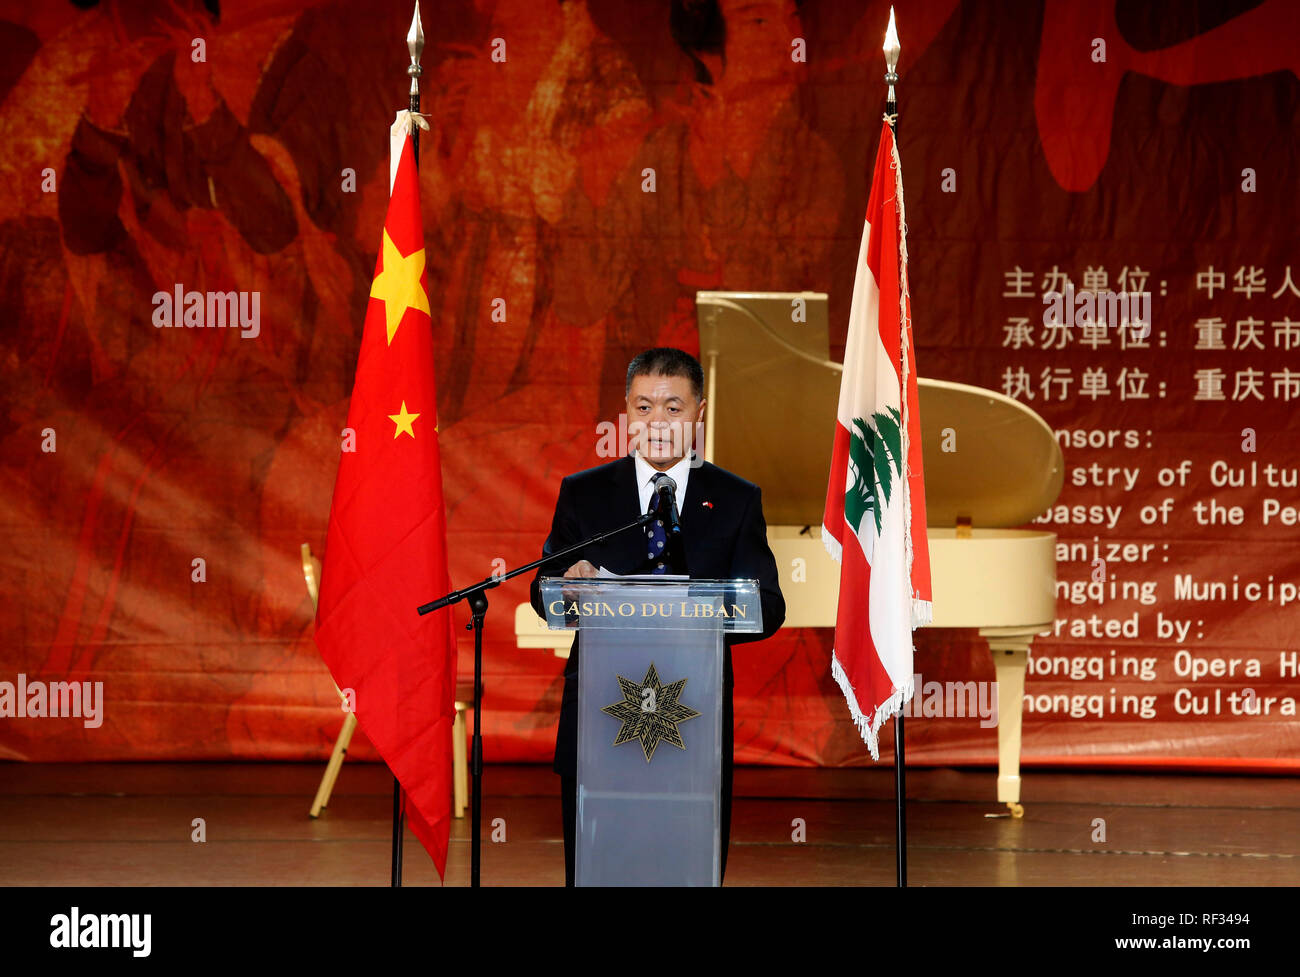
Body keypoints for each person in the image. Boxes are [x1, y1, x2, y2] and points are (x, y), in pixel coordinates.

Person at [529, 347, 785, 885]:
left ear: (699, 412)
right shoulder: (586, 493)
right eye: (643, 407)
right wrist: (567, 585)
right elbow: (543, 590)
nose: (657, 423)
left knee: (686, 862)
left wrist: (700, 612)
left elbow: (769, 607)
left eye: (673, 408)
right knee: (598, 862)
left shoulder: (736, 498)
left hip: (694, 712)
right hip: (601, 711)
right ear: (626, 411)